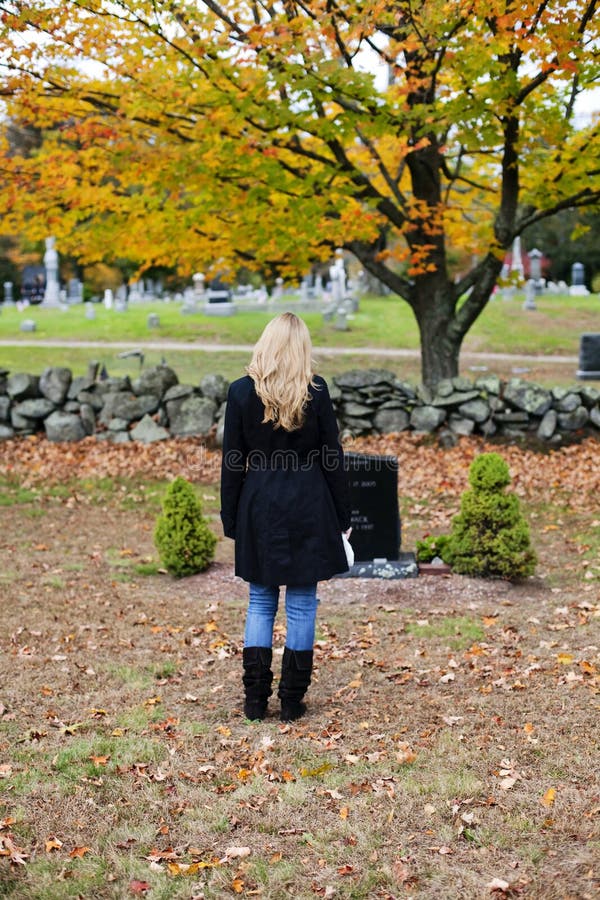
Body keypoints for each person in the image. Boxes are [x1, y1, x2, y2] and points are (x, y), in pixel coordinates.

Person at [220, 312, 350, 722]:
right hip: (308, 503)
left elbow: (232, 462)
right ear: (301, 348)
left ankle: (255, 701)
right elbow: (332, 456)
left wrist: (231, 518)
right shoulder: (316, 390)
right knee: (301, 604)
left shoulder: (241, 392)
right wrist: (343, 514)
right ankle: (291, 701)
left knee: (260, 601)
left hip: (259, 504)